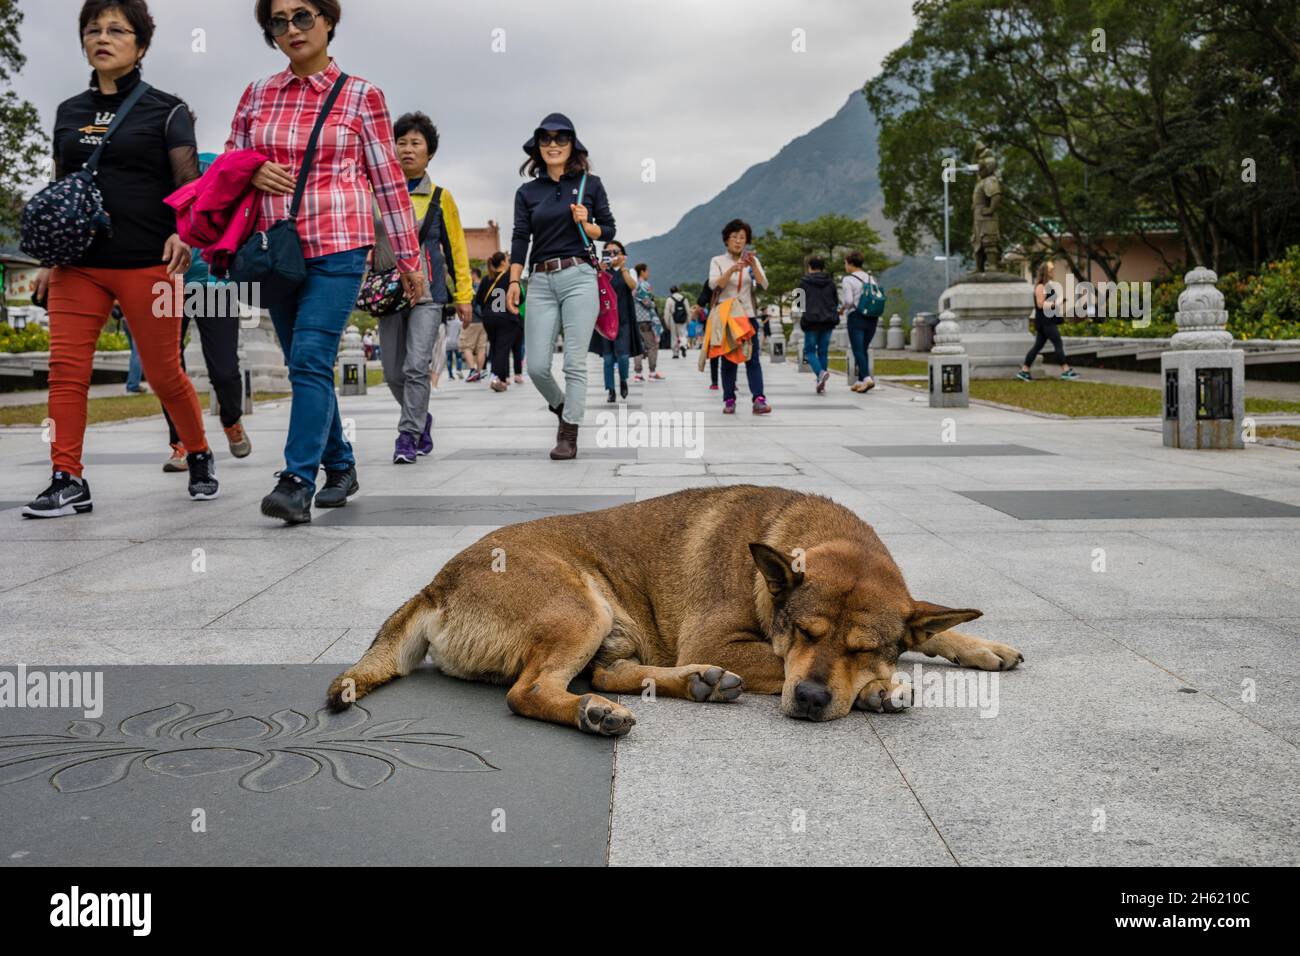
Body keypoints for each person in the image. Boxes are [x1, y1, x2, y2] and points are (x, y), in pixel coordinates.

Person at [227, 0, 424, 523]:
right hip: (279, 251)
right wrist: (250, 170)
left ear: (329, 21)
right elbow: (229, 159)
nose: (291, 29)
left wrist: (408, 259)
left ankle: (296, 479)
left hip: (341, 243)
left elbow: (387, 181)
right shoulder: (257, 94)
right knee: (302, 365)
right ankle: (340, 463)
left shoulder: (362, 96)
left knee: (312, 357)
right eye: (279, 21)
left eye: (303, 16)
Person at [23, 0, 215, 519]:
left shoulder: (166, 110)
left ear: (141, 45)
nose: (102, 37)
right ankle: (67, 478)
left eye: (116, 29)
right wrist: (47, 257)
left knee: (162, 372)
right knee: (66, 371)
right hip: (77, 264)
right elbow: (64, 186)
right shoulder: (68, 111)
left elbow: (189, 189)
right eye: (93, 29)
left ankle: (197, 453)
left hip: (147, 263)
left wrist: (186, 235)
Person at [507, 112, 615, 460]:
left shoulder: (591, 184)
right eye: (546, 139)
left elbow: (609, 231)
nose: (553, 144)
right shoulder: (526, 192)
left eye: (561, 138)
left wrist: (590, 224)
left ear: (573, 144)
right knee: (536, 365)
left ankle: (569, 433)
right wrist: (513, 281)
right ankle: (563, 405)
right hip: (538, 280)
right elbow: (521, 236)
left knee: (574, 363)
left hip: (579, 277)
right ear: (538, 147)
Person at [379, 110, 472, 463]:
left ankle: (407, 435)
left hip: (429, 295)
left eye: (415, 143)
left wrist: (464, 296)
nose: (406, 149)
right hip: (389, 294)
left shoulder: (441, 198)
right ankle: (419, 417)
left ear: (429, 152)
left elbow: (457, 250)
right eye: (400, 142)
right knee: (391, 371)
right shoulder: (378, 194)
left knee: (416, 366)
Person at [161, 234, 252, 472]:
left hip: (215, 284)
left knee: (225, 371)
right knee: (168, 368)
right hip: (168, 282)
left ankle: (232, 421)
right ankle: (181, 443)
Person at [708, 219, 771, 415]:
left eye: (742, 238)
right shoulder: (717, 261)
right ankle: (729, 399)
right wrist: (731, 270)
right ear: (726, 240)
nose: (738, 241)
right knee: (729, 360)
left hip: (747, 316)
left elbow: (764, 284)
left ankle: (759, 399)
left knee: (752, 359)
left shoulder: (752, 261)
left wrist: (754, 267)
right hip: (727, 317)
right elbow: (714, 285)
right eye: (734, 237)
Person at [589, 239, 640, 403]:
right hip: (605, 319)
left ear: (622, 254)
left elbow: (633, 286)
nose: (612, 255)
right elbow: (592, 287)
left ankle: (623, 380)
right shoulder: (600, 271)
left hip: (623, 319)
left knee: (623, 356)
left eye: (615, 252)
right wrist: (600, 270)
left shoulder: (628, 271)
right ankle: (610, 389)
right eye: (608, 253)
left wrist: (623, 267)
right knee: (608, 358)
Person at [1018, 260, 1079, 381]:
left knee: (1037, 347)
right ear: (1045, 272)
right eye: (1051, 270)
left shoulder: (1047, 285)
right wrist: (1057, 303)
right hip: (1046, 321)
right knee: (1058, 343)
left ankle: (1024, 371)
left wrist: (1060, 301)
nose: (1053, 272)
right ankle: (1065, 370)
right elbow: (1040, 305)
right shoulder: (1040, 286)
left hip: (1046, 321)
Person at [478, 253, 520, 392]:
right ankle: (496, 377)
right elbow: (521, 297)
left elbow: (478, 299)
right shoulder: (509, 278)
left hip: (488, 317)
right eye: (507, 260)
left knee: (496, 347)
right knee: (502, 349)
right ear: (502, 262)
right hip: (505, 317)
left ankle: (501, 379)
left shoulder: (486, 279)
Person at [798, 255, 839, 394]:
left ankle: (820, 374)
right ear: (823, 267)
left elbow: (797, 304)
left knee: (809, 351)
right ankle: (821, 382)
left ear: (809, 267)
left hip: (811, 321)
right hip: (828, 321)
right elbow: (835, 301)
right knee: (823, 351)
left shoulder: (803, 282)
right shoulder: (831, 283)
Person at [841, 250, 878, 393]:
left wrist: (843, 307)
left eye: (845, 263)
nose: (845, 266)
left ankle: (867, 379)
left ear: (850, 263)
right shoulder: (870, 278)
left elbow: (849, 301)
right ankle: (860, 381)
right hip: (872, 317)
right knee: (863, 349)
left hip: (856, 316)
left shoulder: (848, 279)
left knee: (857, 349)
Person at [631, 262, 664, 381]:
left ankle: (638, 373)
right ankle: (652, 372)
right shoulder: (644, 285)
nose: (648, 273)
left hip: (635, 319)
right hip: (646, 319)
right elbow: (647, 302)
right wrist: (653, 303)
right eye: (647, 271)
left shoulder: (632, 285)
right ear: (642, 271)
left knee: (638, 346)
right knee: (652, 346)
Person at [664, 285, 690, 359]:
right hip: (682, 319)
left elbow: (666, 313)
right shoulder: (684, 299)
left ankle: (675, 353)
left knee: (674, 336)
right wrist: (688, 321)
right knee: (683, 334)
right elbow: (688, 311)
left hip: (673, 319)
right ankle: (683, 345)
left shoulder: (669, 299)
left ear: (671, 291)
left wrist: (667, 323)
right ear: (678, 290)